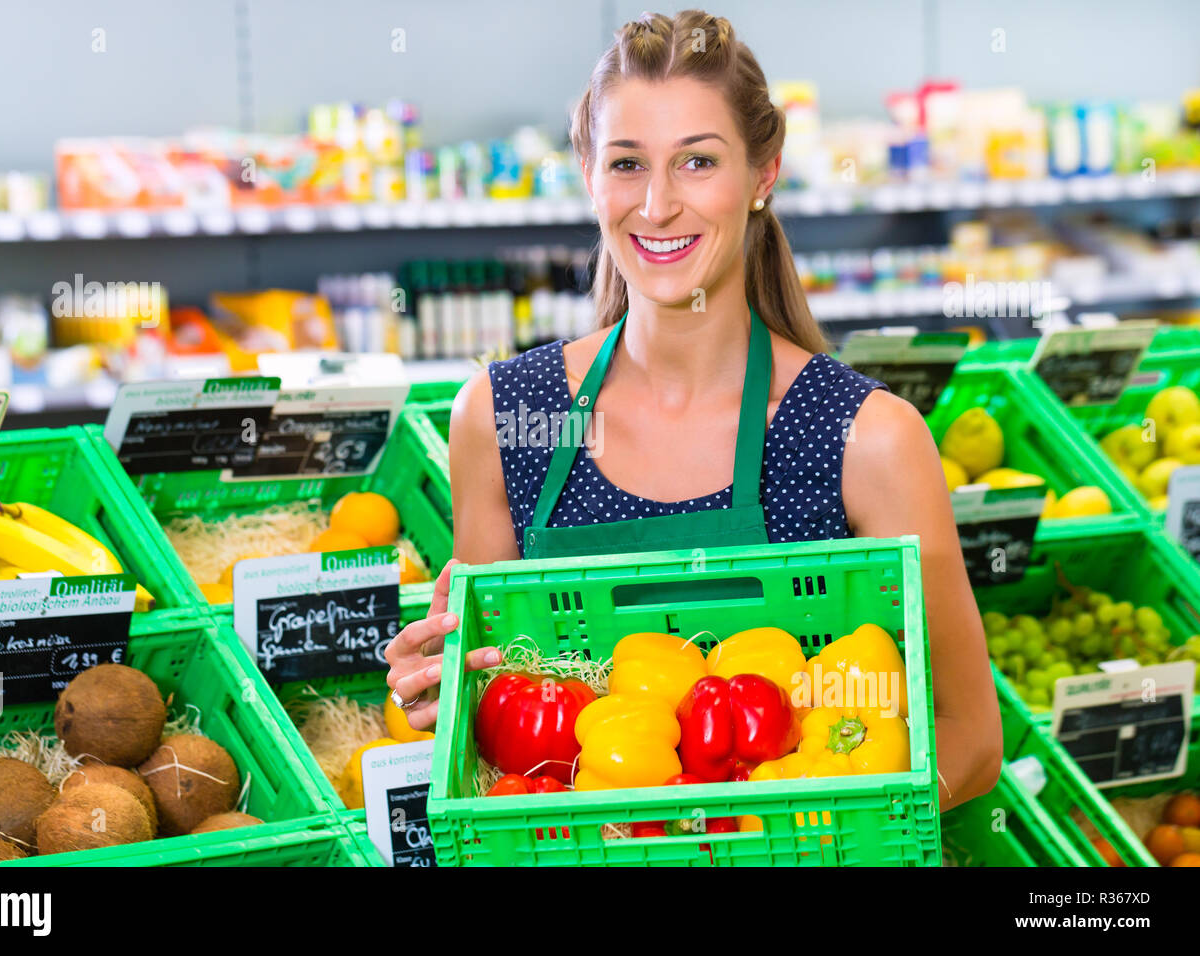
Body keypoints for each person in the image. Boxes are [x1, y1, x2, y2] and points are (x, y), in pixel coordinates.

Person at [387, 9, 1001, 811]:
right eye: (628, 164)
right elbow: (506, 730)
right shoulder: (506, 417)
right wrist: (444, 703)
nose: (659, 204)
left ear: (763, 176)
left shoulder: (864, 437)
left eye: (698, 163)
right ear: (588, 174)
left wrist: (811, 839)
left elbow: (969, 736)